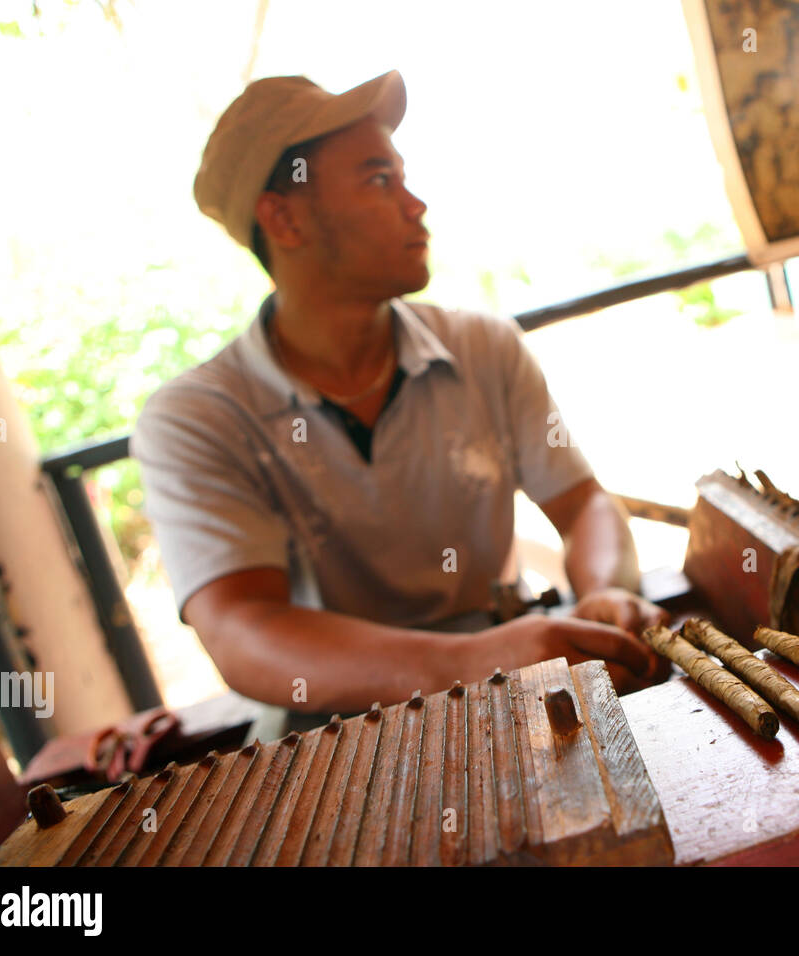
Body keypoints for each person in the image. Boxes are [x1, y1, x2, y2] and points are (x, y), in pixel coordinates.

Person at [130, 70, 668, 721]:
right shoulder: (197, 420)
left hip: (519, 678)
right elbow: (244, 628)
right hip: (340, 733)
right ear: (284, 217)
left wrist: (603, 595)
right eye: (379, 180)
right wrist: (477, 662)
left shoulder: (483, 348)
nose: (416, 205)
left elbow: (584, 506)